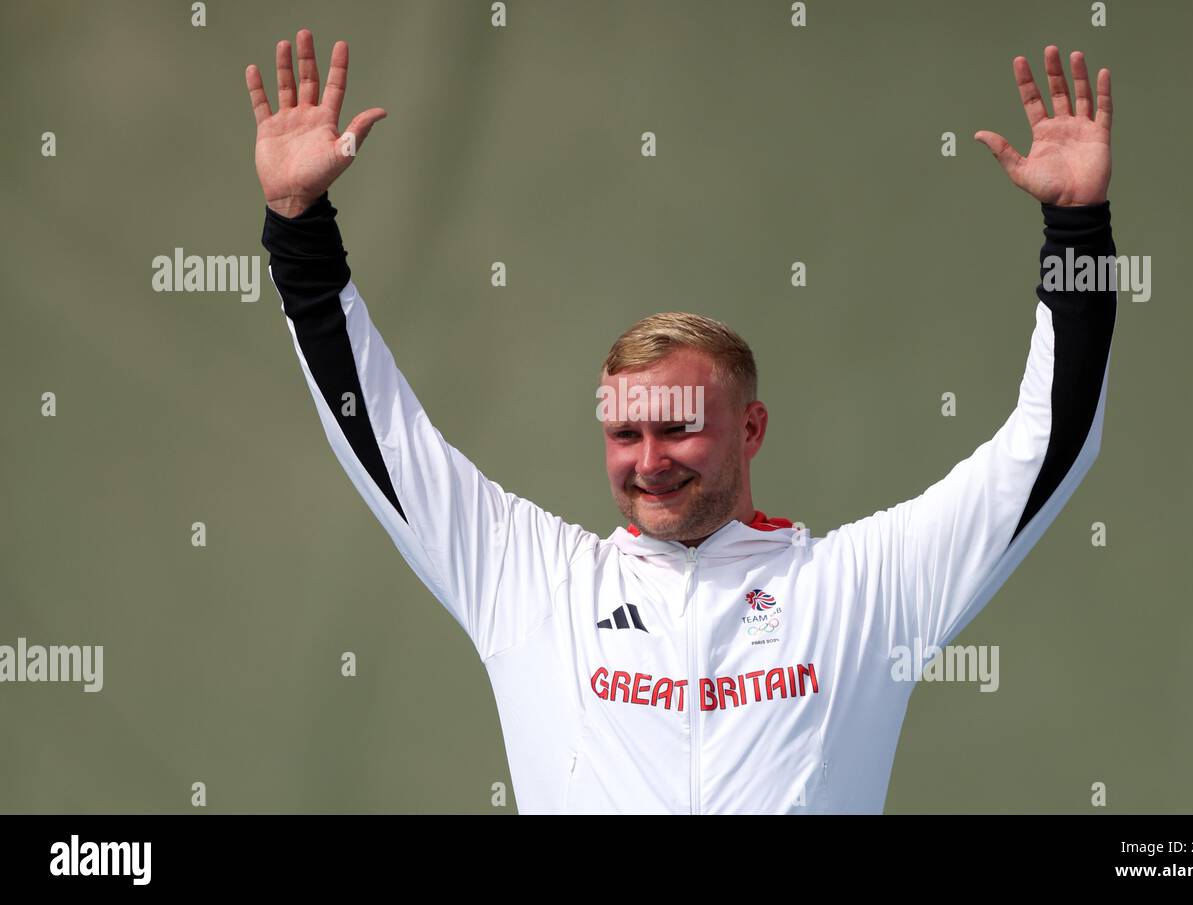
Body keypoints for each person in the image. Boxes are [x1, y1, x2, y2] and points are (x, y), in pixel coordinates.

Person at [246, 30, 1117, 813]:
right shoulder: (530, 580)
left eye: (679, 428)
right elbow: (383, 435)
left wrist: (1075, 229)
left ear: (752, 428)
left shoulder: (863, 589)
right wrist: (300, 228)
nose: (649, 461)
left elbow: (1047, 450)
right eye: (626, 433)